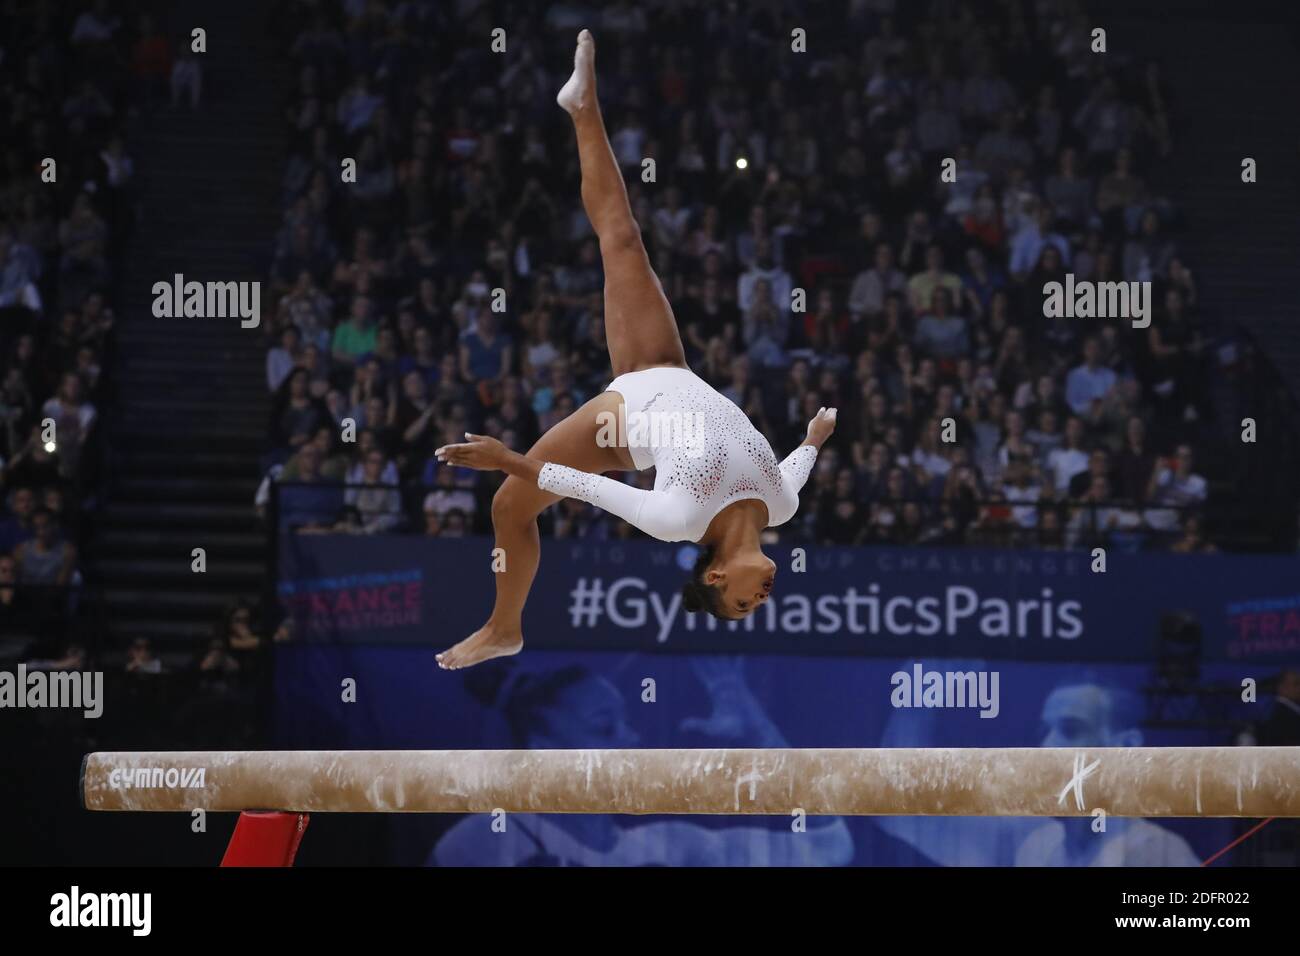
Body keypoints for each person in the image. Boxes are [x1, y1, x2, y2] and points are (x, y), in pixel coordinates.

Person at [433, 32, 836, 670]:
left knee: (510, 503)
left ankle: (504, 626)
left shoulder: (678, 518)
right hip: (668, 367)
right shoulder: (780, 504)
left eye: (741, 606)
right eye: (756, 608)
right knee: (622, 238)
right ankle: (583, 106)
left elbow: (578, 486)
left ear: (713, 578)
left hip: (623, 419)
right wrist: (816, 436)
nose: (759, 599)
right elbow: (794, 467)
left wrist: (503, 456)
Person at [428, 658, 853, 866]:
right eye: (605, 727)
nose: (631, 740)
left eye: (627, 724)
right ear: (543, 744)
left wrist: (761, 735)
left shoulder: (670, 846)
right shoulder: (484, 841)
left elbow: (827, 849)